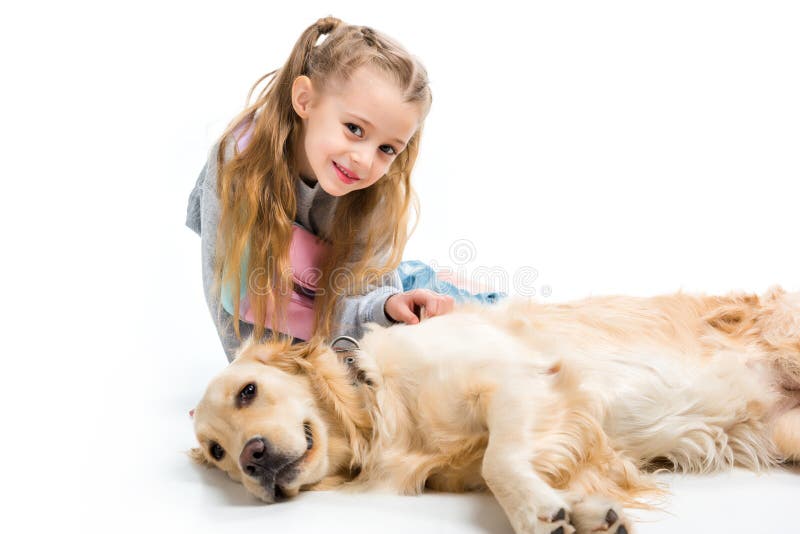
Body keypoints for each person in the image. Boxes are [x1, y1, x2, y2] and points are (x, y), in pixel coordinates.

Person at [185, 17, 456, 361]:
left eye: (387, 149)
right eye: (355, 128)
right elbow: (227, 296)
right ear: (305, 100)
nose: (364, 159)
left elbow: (360, 311)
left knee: (453, 316)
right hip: (304, 312)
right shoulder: (239, 164)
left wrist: (388, 306)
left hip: (350, 308)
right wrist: (252, 387)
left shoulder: (376, 197)